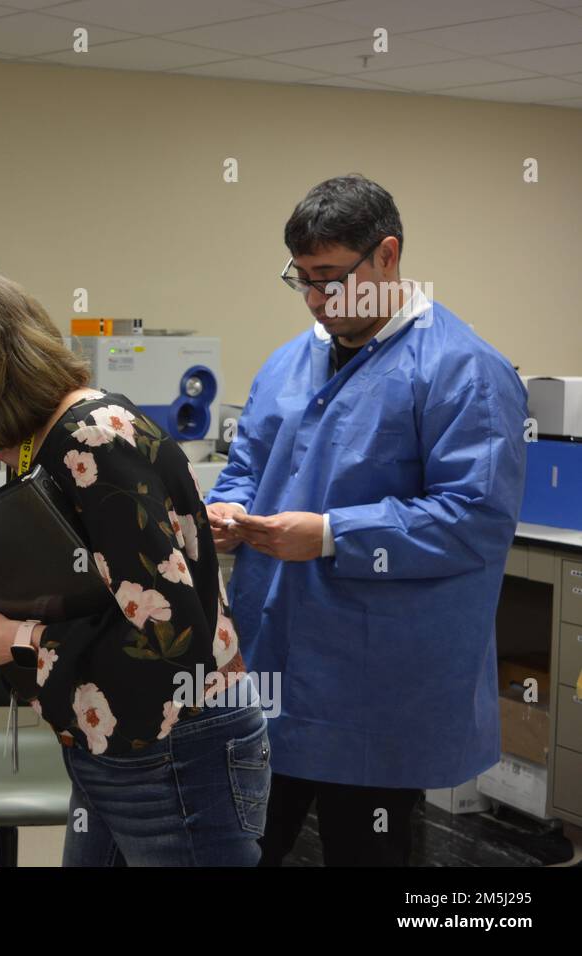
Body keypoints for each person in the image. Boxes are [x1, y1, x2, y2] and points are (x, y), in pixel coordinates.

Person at [0, 267, 270, 867]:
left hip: (175, 749)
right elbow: (97, 598)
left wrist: (14, 637)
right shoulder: (39, 447)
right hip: (119, 744)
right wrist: (1, 635)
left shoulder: (93, 440)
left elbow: (169, 641)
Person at [206, 175, 528, 866]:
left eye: (331, 277)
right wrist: (226, 509)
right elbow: (245, 467)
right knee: (242, 848)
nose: (317, 300)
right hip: (274, 666)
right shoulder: (288, 364)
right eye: (303, 280)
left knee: (365, 850)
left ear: (387, 255)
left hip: (381, 685)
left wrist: (329, 535)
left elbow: (471, 518)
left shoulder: (462, 370)